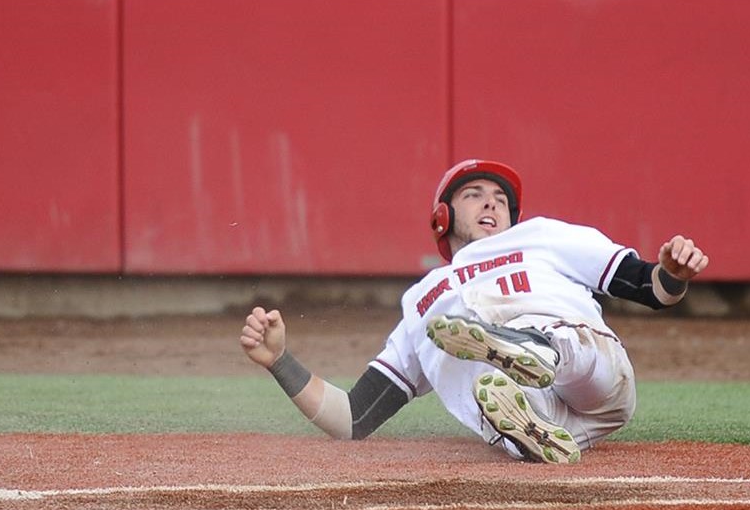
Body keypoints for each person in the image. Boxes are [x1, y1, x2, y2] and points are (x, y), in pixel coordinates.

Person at [237, 159, 709, 464]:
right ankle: (521, 409)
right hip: (558, 427)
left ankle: (535, 350)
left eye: (500, 199)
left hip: (595, 375)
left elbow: (651, 289)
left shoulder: (543, 236)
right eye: (474, 193)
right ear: (442, 218)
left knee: (578, 357)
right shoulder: (423, 300)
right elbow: (353, 418)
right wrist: (281, 361)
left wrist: (674, 272)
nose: (491, 201)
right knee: (505, 399)